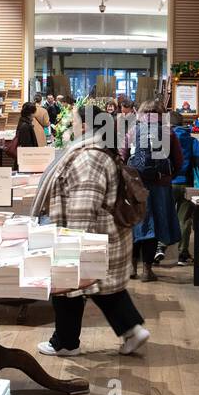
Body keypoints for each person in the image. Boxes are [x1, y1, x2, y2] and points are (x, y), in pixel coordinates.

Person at [31, 104, 148, 357]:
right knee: (100, 290)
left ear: (84, 126)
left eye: (73, 121)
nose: (70, 125)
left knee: (69, 286)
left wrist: (72, 245)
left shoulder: (88, 156)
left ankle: (65, 342)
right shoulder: (95, 151)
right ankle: (130, 330)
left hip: (89, 235)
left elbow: (84, 204)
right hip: (101, 235)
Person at [127, 100, 182, 278]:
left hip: (136, 186)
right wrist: (167, 177)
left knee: (136, 224)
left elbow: (122, 156)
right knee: (154, 226)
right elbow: (178, 161)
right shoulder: (168, 133)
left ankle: (132, 267)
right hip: (159, 187)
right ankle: (147, 270)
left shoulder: (132, 131)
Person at [169, 110, 199, 265]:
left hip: (168, 184)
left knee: (164, 216)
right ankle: (183, 253)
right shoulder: (192, 141)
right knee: (184, 219)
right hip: (187, 183)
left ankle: (160, 247)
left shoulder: (163, 140)